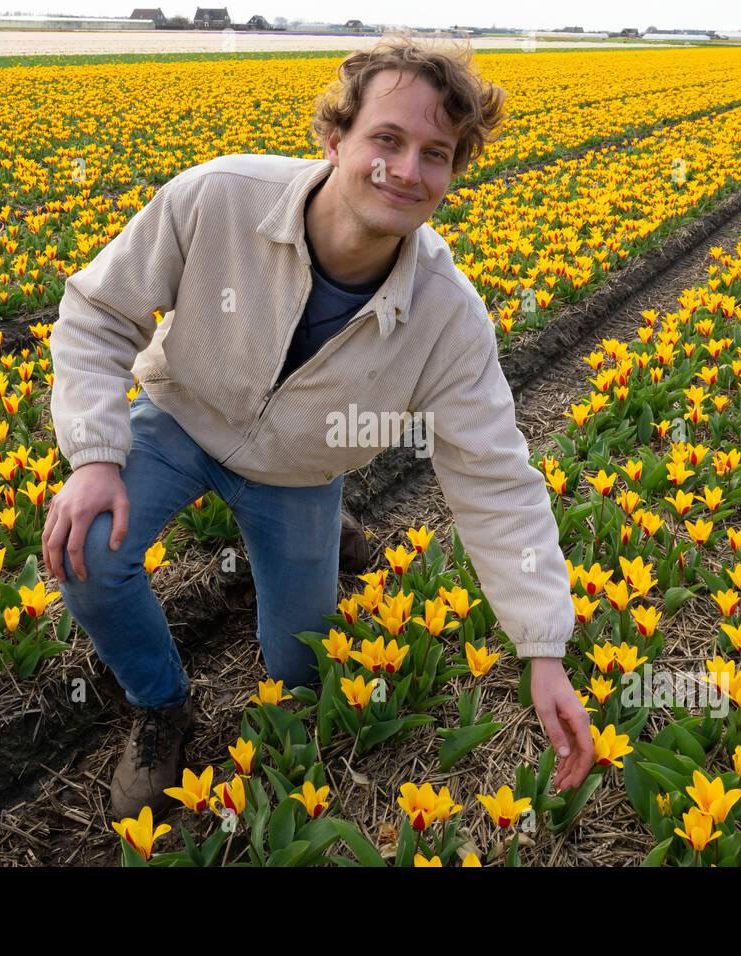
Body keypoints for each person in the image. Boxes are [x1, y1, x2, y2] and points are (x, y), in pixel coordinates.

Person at [42, 34, 595, 821]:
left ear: (452, 175)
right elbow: (98, 312)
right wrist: (96, 455)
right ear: (335, 137)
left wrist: (544, 648)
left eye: (435, 154)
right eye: (388, 139)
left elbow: (495, 479)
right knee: (88, 552)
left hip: (298, 470)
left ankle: (324, 523)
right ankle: (161, 704)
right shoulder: (219, 198)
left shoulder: (448, 315)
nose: (407, 170)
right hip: (182, 417)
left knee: (298, 674)